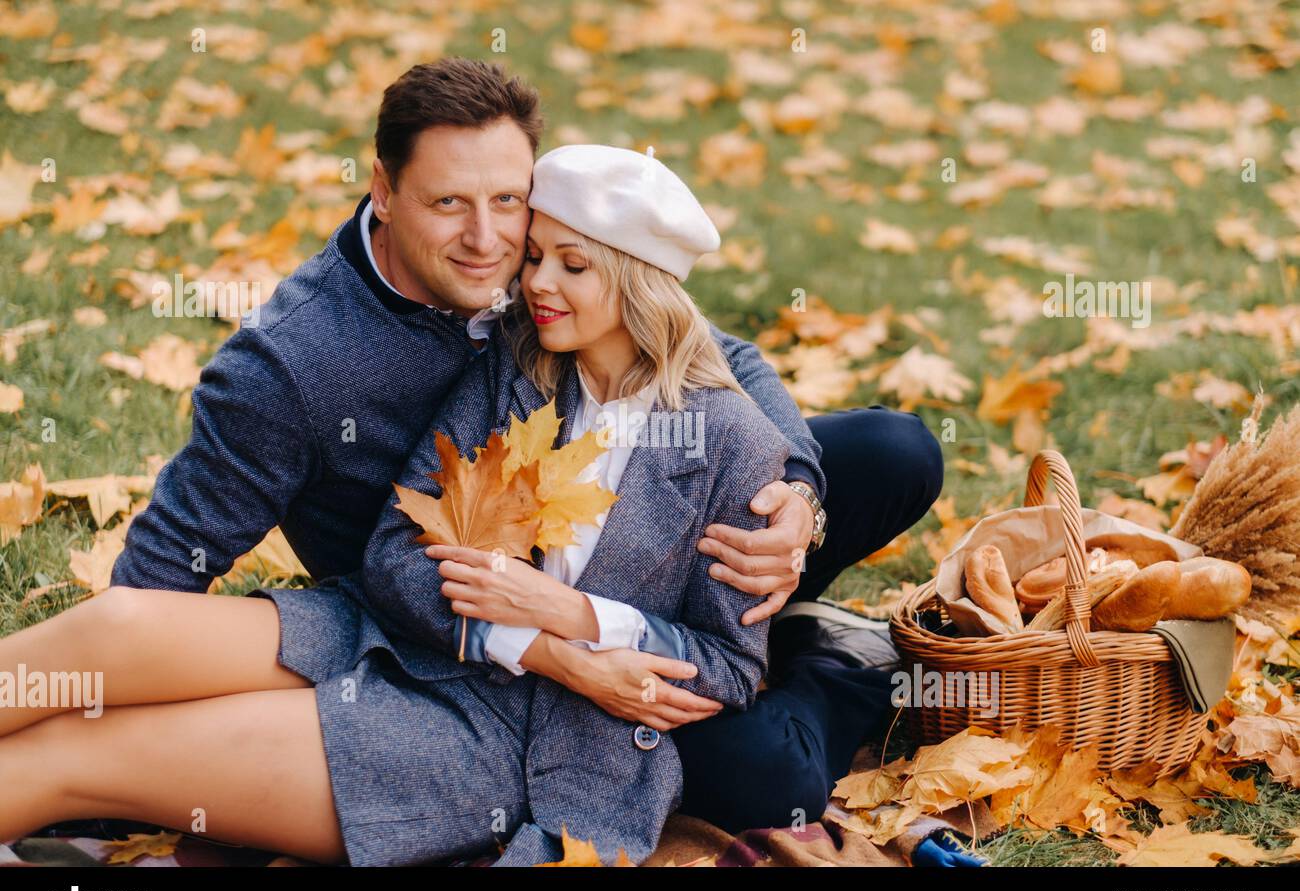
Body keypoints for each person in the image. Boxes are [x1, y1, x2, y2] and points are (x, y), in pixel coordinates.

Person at [105, 58, 946, 835]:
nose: (492, 245)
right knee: (763, 776)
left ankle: (764, 610)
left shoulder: (529, 251)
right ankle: (836, 663)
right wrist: (102, 721)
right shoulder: (292, 366)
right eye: (448, 205)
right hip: (472, 623)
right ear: (384, 190)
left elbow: (714, 356)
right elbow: (173, 555)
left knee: (894, 449)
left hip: (642, 533)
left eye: (509, 203)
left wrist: (796, 497)